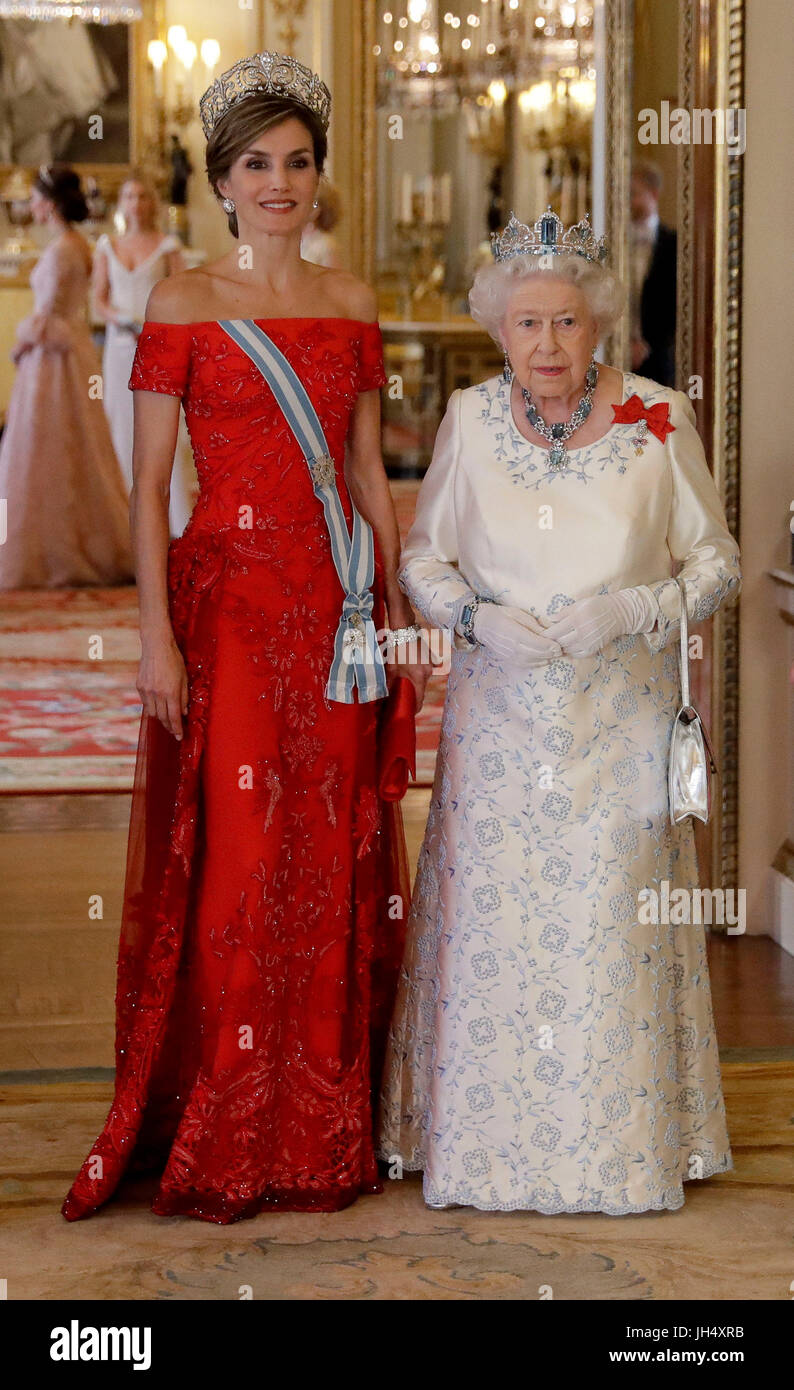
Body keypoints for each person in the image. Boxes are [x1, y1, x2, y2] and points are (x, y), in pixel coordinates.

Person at [62, 51, 431, 1225]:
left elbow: (369, 468)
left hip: (333, 613)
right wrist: (153, 640)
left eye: (298, 162)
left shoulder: (354, 299)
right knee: (236, 859)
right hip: (224, 611)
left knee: (328, 858)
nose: (280, 183)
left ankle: (319, 1131)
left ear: (320, 176)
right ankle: (227, 1117)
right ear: (221, 181)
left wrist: (398, 603)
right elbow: (147, 488)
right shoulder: (178, 301)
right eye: (256, 164)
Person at [377, 208, 741, 1214]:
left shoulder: (656, 417)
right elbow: (422, 557)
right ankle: (485, 1155)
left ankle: (617, 1155)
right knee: (497, 938)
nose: (546, 346)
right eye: (526, 324)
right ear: (499, 329)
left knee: (605, 933)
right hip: (497, 730)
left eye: (566, 323)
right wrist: (473, 618)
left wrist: (636, 607)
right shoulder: (467, 420)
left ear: (600, 327)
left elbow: (716, 563)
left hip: (616, 726)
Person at [0, 164, 132, 589]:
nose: (30, 204)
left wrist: (19, 343)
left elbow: (47, 314)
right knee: (75, 444)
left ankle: (50, 551)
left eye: (36, 196)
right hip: (66, 353)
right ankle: (82, 541)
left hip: (52, 358)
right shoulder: (76, 244)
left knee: (47, 444)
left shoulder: (62, 249)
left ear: (50, 203)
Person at [93, 175, 198, 536]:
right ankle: (125, 520)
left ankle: (172, 520)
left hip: (157, 346)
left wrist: (157, 325)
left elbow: (184, 296)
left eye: (141, 196)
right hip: (120, 346)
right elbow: (99, 300)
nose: (135, 203)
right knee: (121, 425)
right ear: (120, 204)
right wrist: (121, 319)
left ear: (151, 202)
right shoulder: (107, 246)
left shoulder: (168, 246)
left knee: (162, 426)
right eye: (128, 196)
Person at [629, 159, 677, 386]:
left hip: (659, 360)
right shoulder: (611, 243)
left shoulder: (675, 245)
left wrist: (647, 345)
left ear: (654, 194)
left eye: (634, 194)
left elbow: (678, 304)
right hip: (615, 356)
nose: (627, 202)